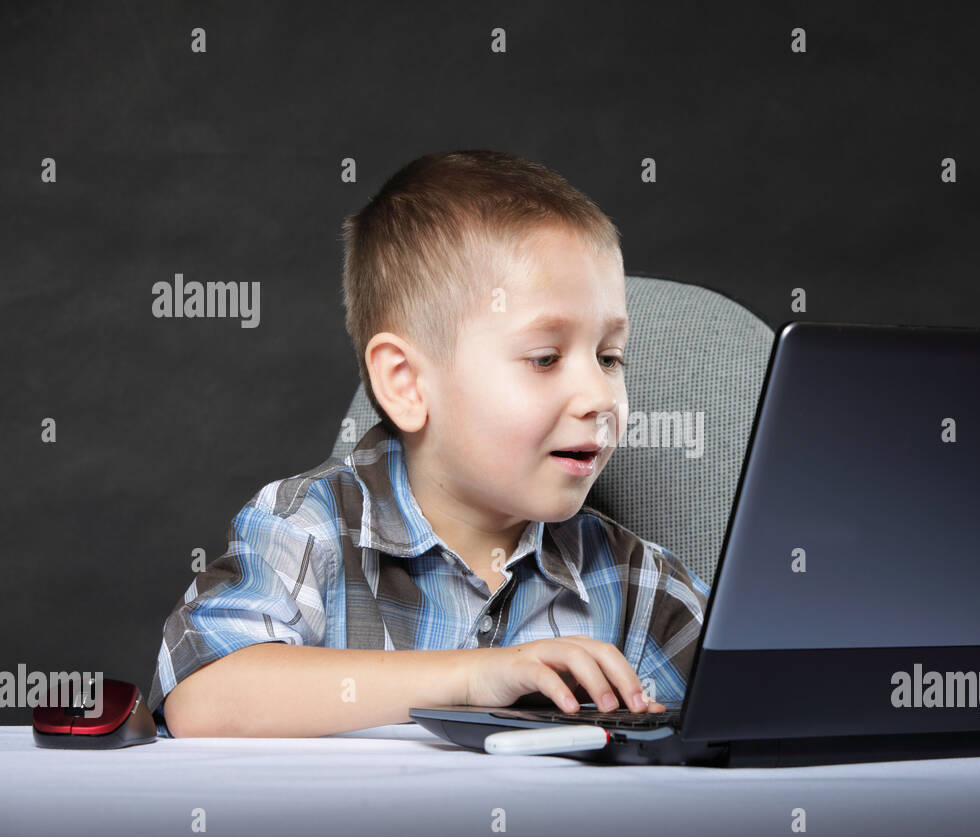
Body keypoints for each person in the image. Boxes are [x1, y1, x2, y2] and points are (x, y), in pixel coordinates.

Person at [147, 150, 711, 737]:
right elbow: (202, 695)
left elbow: (768, 709)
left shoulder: (634, 582)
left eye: (609, 357)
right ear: (407, 383)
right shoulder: (309, 529)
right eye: (544, 358)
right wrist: (471, 677)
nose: (600, 396)